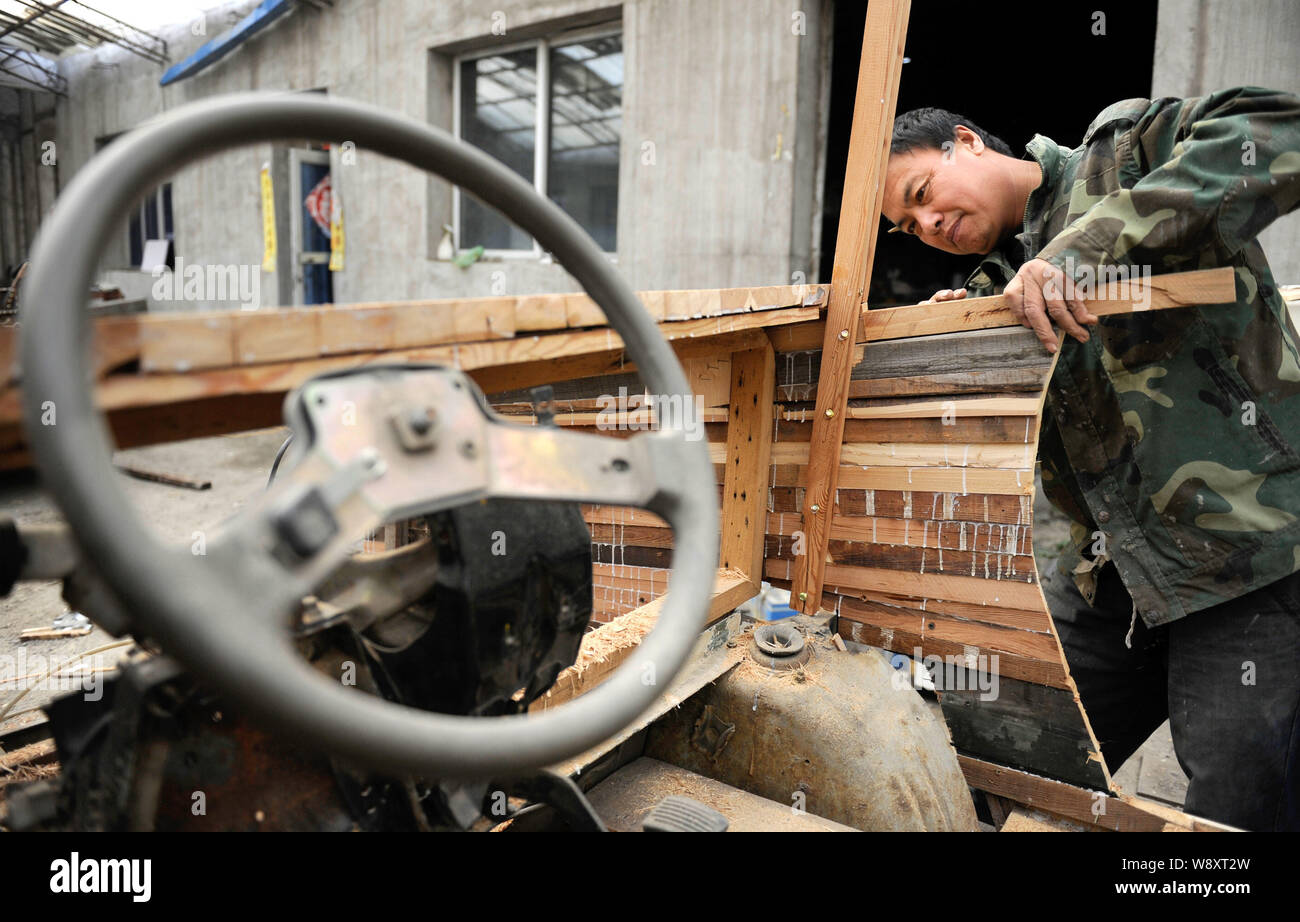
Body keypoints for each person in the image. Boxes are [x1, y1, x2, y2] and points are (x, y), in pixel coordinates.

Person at [881, 89, 1300, 831]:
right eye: (909, 226)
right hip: (1110, 578)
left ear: (969, 142)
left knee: (1235, 809)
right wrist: (953, 351)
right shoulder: (993, 287)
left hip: (1245, 561)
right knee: (996, 757)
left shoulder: (1124, 154)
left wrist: (1078, 251)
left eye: (923, 195)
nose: (929, 226)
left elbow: (1276, 128)